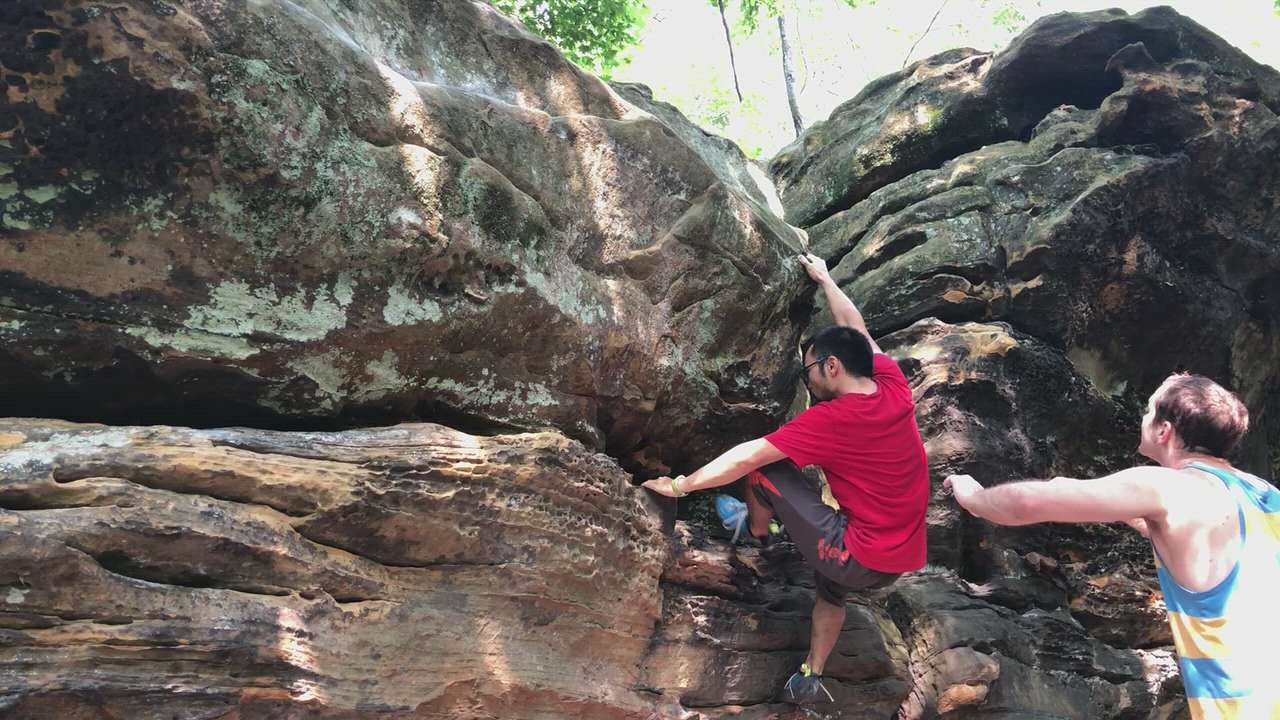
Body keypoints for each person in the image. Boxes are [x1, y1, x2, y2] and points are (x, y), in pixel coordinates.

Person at [642, 253, 929, 704]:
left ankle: (755, 533)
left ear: (832, 367)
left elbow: (749, 455)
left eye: (808, 370)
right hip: (898, 558)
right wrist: (825, 279)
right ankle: (810, 676)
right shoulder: (891, 383)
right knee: (832, 592)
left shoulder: (834, 419)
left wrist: (681, 485)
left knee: (766, 469)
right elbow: (855, 326)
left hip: (857, 554)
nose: (807, 379)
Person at [946, 374, 1280, 720]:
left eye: (1148, 410)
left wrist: (975, 498)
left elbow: (1025, 502)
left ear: (1163, 431)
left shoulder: (1168, 488)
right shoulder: (1264, 494)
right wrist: (1120, 510)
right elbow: (1209, 550)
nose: (1143, 418)